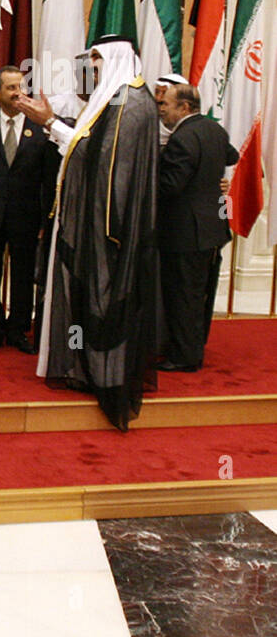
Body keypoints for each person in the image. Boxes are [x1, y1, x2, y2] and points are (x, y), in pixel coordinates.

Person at [17, 36, 160, 431]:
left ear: (114, 58)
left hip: (107, 229)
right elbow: (91, 149)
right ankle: (84, 365)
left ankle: (103, 373)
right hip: (93, 221)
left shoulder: (129, 104)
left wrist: (48, 123)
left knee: (102, 297)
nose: (92, 66)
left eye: (96, 58)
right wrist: (54, 125)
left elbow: (102, 167)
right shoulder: (116, 98)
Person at [0, 65, 54, 354]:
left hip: (26, 218)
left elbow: (48, 180)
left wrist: (45, 219)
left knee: (22, 276)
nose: (18, 93)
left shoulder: (41, 130)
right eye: (11, 88)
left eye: (21, 87)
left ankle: (18, 330)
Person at [155, 82, 238, 372]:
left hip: (185, 232)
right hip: (212, 228)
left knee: (182, 296)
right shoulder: (214, 129)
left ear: (185, 108)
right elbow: (232, 156)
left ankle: (184, 357)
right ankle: (191, 346)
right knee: (199, 294)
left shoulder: (182, 138)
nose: (161, 109)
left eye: (166, 104)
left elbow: (171, 185)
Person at [153, 73, 189, 148]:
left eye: (164, 93)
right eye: (157, 92)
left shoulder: (190, 133)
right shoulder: (148, 126)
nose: (158, 98)